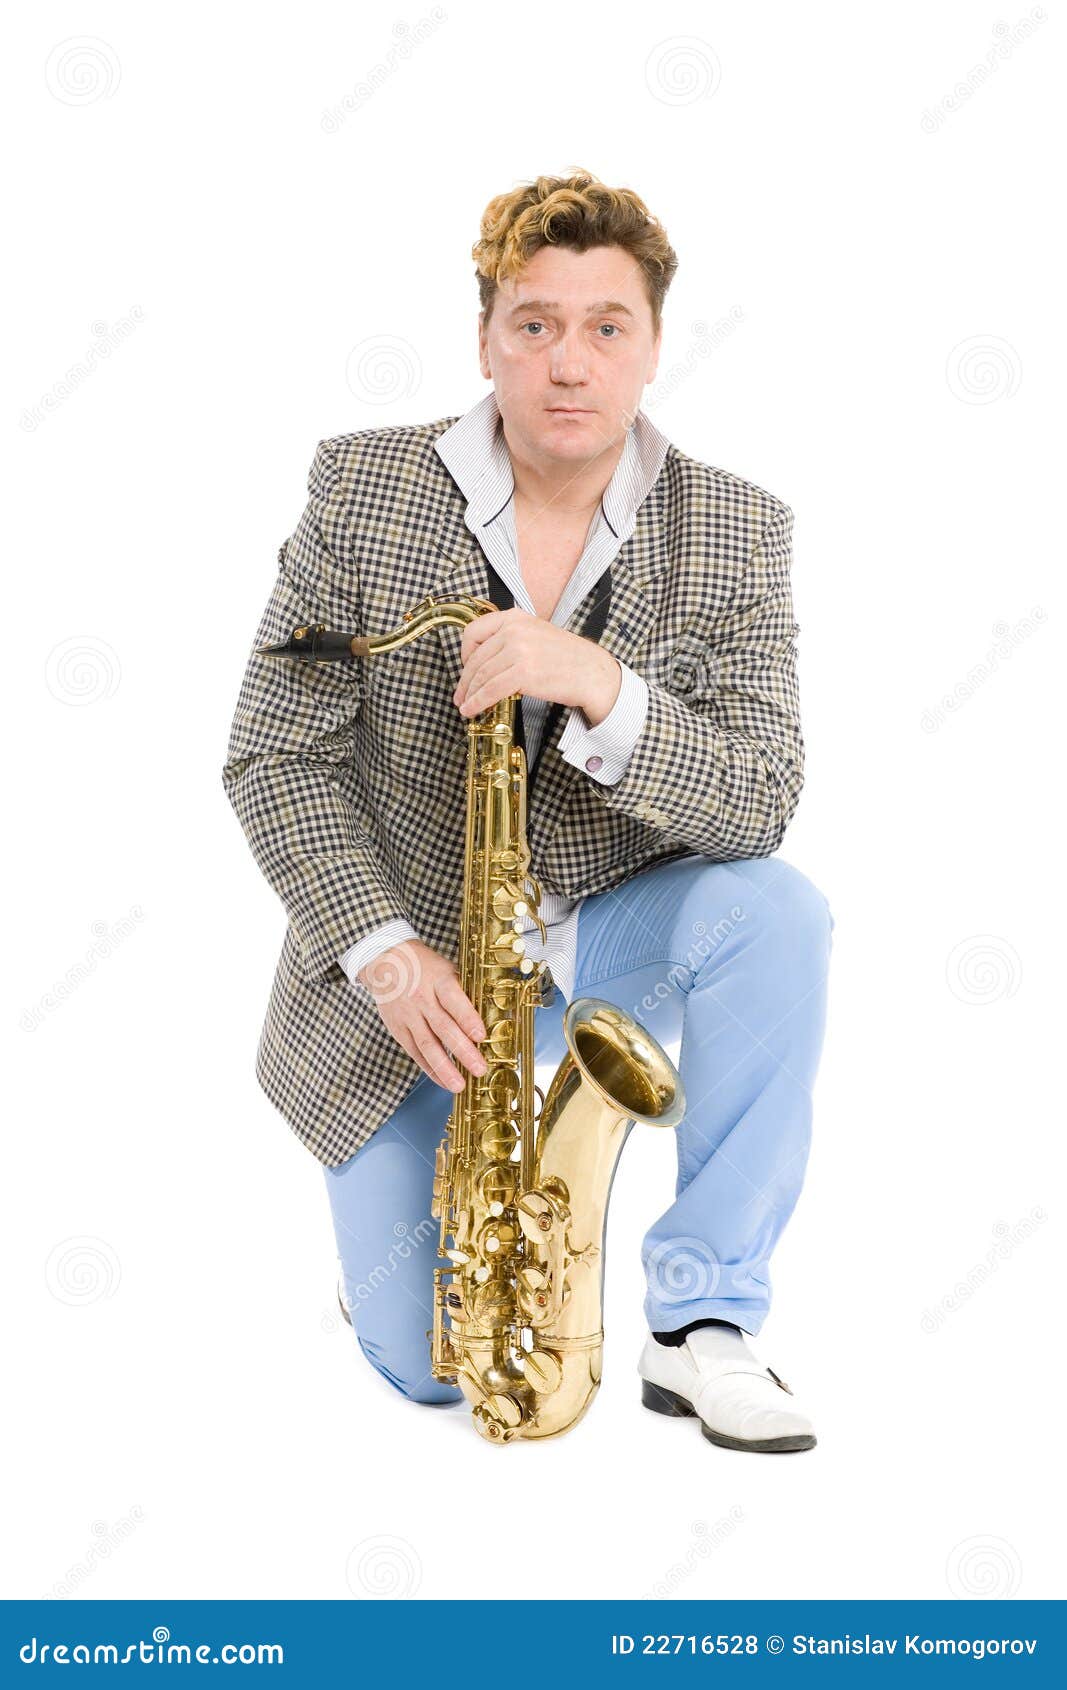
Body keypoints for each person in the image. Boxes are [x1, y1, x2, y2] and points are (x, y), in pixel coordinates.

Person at [222, 166, 834, 1453]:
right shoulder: (363, 489)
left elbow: (761, 794)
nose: (569, 363)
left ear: (654, 347)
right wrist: (382, 952)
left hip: (605, 938)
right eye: (534, 324)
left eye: (606, 326)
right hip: (418, 975)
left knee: (773, 914)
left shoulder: (735, 527)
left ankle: (700, 1323)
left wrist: (600, 684)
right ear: (485, 341)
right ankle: (377, 1276)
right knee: (439, 1366)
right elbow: (275, 753)